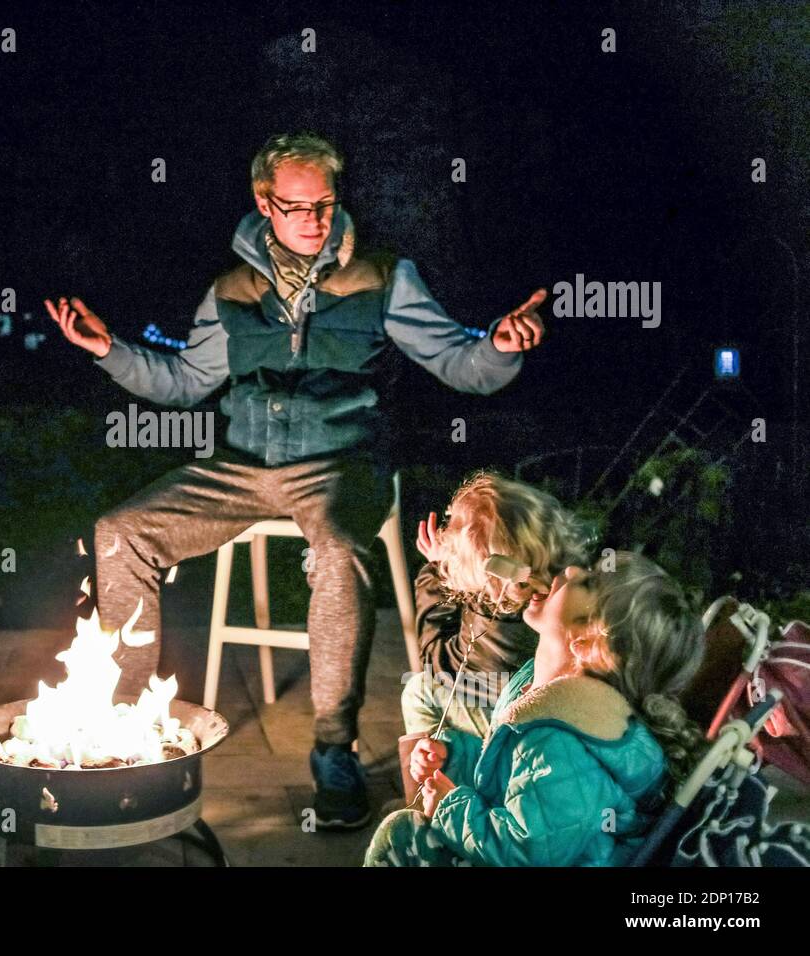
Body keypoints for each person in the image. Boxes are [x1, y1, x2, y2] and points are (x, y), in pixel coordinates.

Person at [46, 132, 548, 828]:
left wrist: (498, 346)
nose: (315, 221)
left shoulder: (382, 276)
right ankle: (127, 723)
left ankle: (332, 749)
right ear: (263, 203)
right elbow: (184, 381)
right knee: (120, 532)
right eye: (297, 207)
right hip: (242, 469)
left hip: (340, 464)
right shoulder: (231, 289)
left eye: (326, 205)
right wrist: (109, 350)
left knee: (338, 555)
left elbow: (459, 363)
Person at [364, 553, 706, 866]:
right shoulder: (541, 691)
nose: (570, 569)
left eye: (587, 581)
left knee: (399, 836)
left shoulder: (562, 741)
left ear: (594, 644)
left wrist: (450, 808)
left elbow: (528, 853)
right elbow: (508, 773)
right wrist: (451, 755)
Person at [395, 472, 588, 804]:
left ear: (493, 574)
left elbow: (437, 660)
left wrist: (434, 573)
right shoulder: (563, 585)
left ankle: (425, 803)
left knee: (420, 690)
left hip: (514, 718)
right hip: (547, 708)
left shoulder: (496, 613)